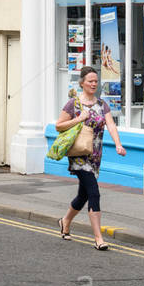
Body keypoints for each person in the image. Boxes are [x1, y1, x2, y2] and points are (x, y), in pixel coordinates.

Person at [55, 66, 126, 250]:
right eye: (90, 81)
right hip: (79, 154)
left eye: (96, 81)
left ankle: (65, 221)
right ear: (82, 83)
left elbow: (111, 125)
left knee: (83, 194)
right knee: (94, 192)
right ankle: (98, 238)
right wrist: (79, 119)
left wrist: (118, 144)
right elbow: (59, 126)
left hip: (95, 155)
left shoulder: (102, 104)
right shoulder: (73, 104)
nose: (94, 84)